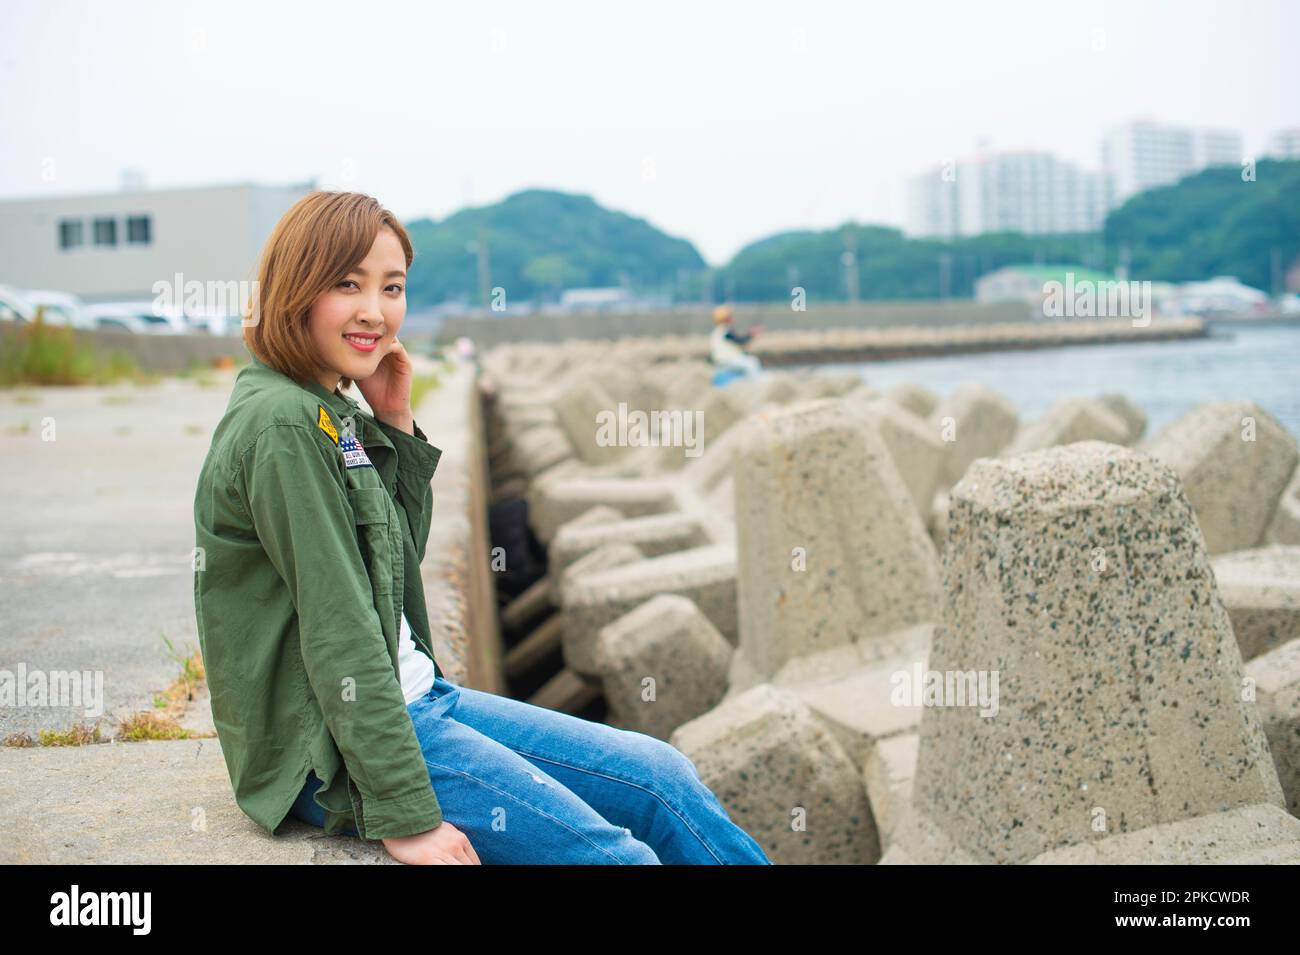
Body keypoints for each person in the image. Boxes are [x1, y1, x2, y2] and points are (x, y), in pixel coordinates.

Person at [192, 190, 772, 866]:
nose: (374, 312)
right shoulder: (285, 424)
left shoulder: (325, 408)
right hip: (327, 751)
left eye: (393, 288)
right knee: (619, 859)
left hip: (419, 699)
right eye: (347, 284)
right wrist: (403, 811)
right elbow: (339, 626)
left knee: (661, 778)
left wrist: (396, 426)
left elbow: (391, 567)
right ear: (296, 286)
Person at [709, 304, 762, 381]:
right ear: (725, 318)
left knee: (746, 365)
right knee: (752, 362)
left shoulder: (718, 331)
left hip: (722, 362)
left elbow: (738, 341)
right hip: (728, 360)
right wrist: (751, 334)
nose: (732, 318)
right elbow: (741, 341)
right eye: (730, 316)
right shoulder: (725, 331)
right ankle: (756, 384)